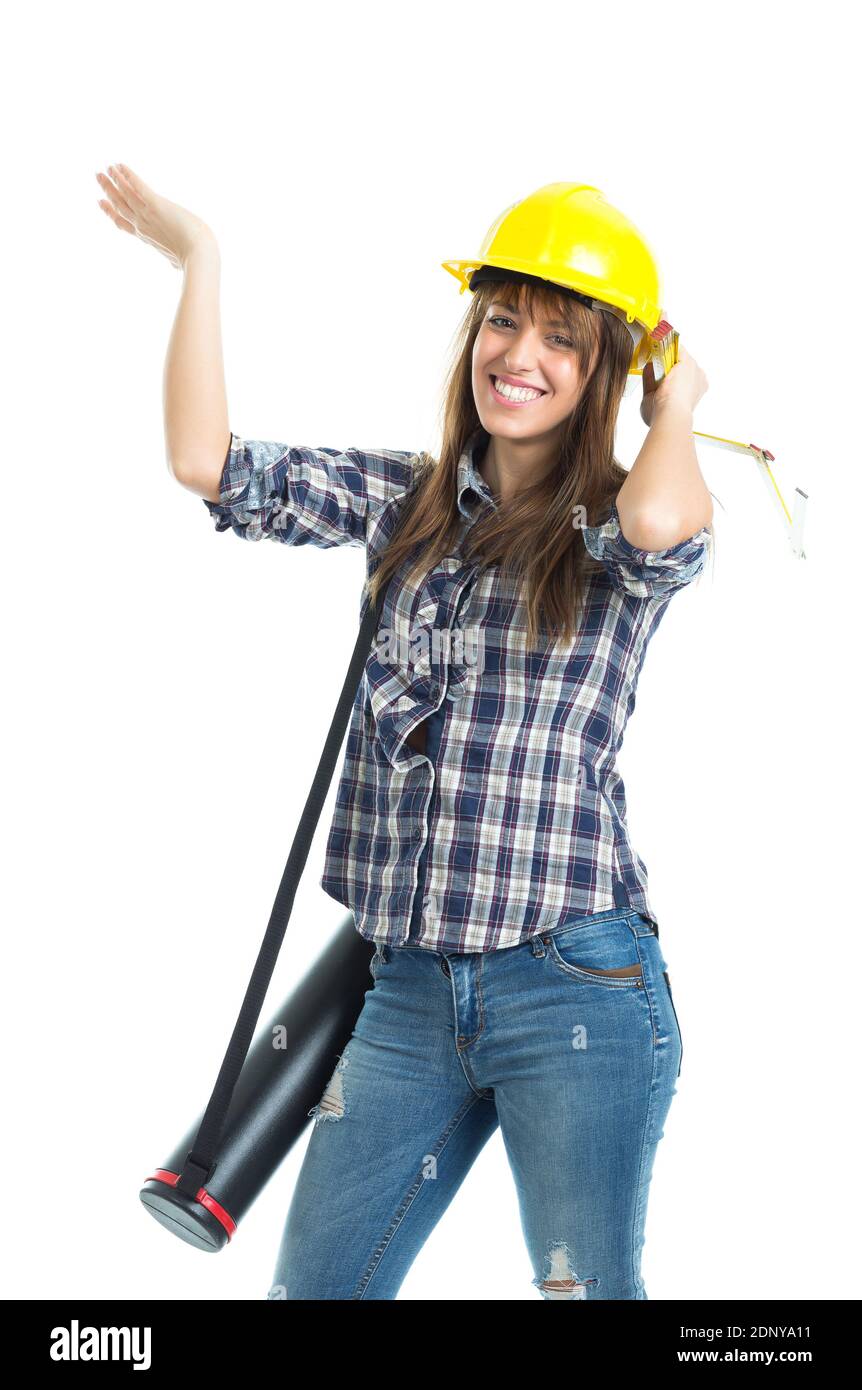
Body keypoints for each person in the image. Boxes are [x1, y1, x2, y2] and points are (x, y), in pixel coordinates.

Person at [98, 169, 711, 1300]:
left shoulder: (610, 524)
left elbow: (665, 521)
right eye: (503, 319)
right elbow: (207, 463)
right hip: (409, 991)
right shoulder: (403, 502)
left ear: (605, 371)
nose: (518, 355)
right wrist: (200, 259)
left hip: (575, 985)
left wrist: (673, 401)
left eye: (562, 338)